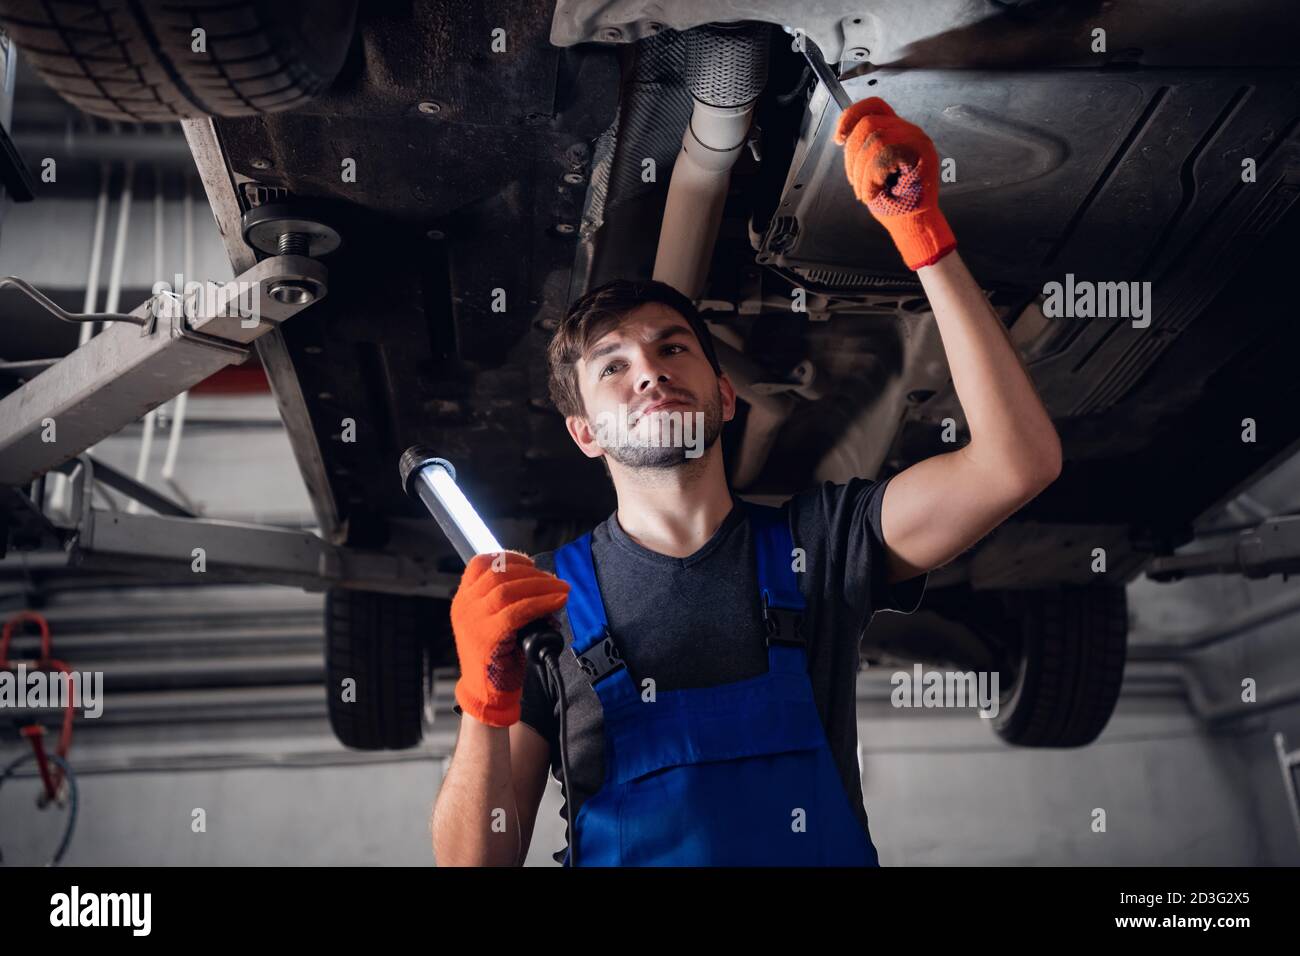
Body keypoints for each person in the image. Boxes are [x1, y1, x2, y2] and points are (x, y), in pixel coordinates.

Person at [430, 98, 1062, 866]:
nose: (652, 374)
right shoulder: (542, 613)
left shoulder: (823, 545)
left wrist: (925, 241)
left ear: (726, 395)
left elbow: (1015, 463)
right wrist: (481, 703)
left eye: (673, 349)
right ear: (585, 434)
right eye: (614, 367)